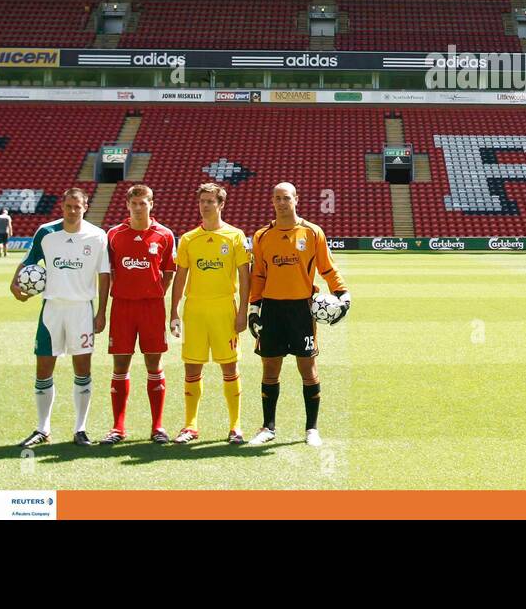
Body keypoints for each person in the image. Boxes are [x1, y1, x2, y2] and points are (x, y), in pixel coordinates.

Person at [247, 182, 349, 449]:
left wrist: (342, 293)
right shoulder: (261, 236)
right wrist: (254, 308)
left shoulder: (313, 232)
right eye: (277, 198)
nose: (282, 203)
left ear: (296, 200)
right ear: (272, 201)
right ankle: (268, 427)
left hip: (302, 310)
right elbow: (258, 274)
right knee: (270, 369)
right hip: (271, 310)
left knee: (307, 368)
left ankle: (311, 429)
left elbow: (327, 267)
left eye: (287, 198)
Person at [10, 187, 110, 447]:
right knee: (43, 369)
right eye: (69, 206)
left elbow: (104, 275)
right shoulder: (46, 232)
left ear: (85, 207)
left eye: (78, 207)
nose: (73, 211)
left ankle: (80, 429)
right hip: (51, 309)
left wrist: (101, 312)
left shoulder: (97, 236)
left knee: (83, 370)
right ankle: (42, 429)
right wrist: (15, 283)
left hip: (81, 310)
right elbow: (29, 261)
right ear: (62, 207)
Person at [169, 182, 250, 445]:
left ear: (221, 204)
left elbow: (244, 277)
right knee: (192, 366)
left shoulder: (235, 236)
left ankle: (235, 426)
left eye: (210, 201)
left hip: (224, 308)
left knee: (230, 366)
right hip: (195, 310)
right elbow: (180, 277)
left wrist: (243, 312)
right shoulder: (189, 238)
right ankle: (190, 426)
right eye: (202, 201)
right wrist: (174, 312)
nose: (205, 206)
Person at [97, 184, 177, 445]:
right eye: (135, 203)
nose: (139, 208)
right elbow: (107, 272)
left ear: (152, 204)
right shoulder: (114, 234)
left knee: (154, 364)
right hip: (122, 306)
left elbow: (168, 273)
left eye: (144, 203)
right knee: (120, 365)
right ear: (127, 205)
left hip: (152, 308)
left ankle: (158, 427)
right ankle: (118, 428)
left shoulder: (164, 235)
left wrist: (155, 292)